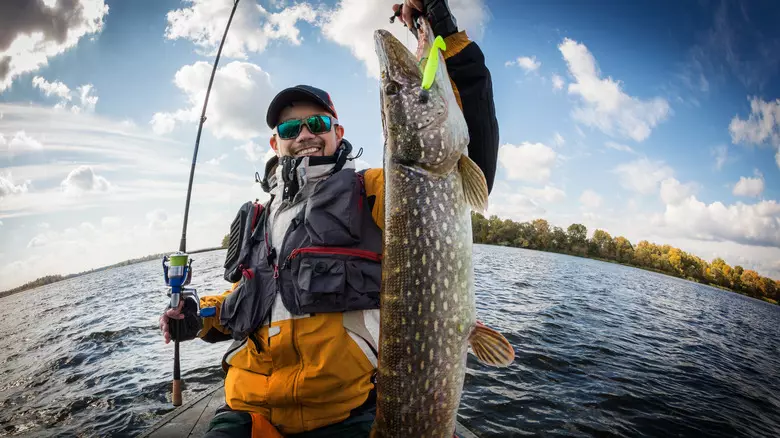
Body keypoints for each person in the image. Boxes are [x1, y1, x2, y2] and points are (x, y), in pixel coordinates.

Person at [159, 0, 499, 436]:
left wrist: (444, 29)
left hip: (344, 413)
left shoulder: (379, 189)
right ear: (275, 143)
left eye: (316, 123)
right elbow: (246, 301)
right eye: (289, 129)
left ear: (338, 132)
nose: (303, 135)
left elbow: (466, 149)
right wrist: (193, 315)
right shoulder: (259, 220)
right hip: (249, 410)